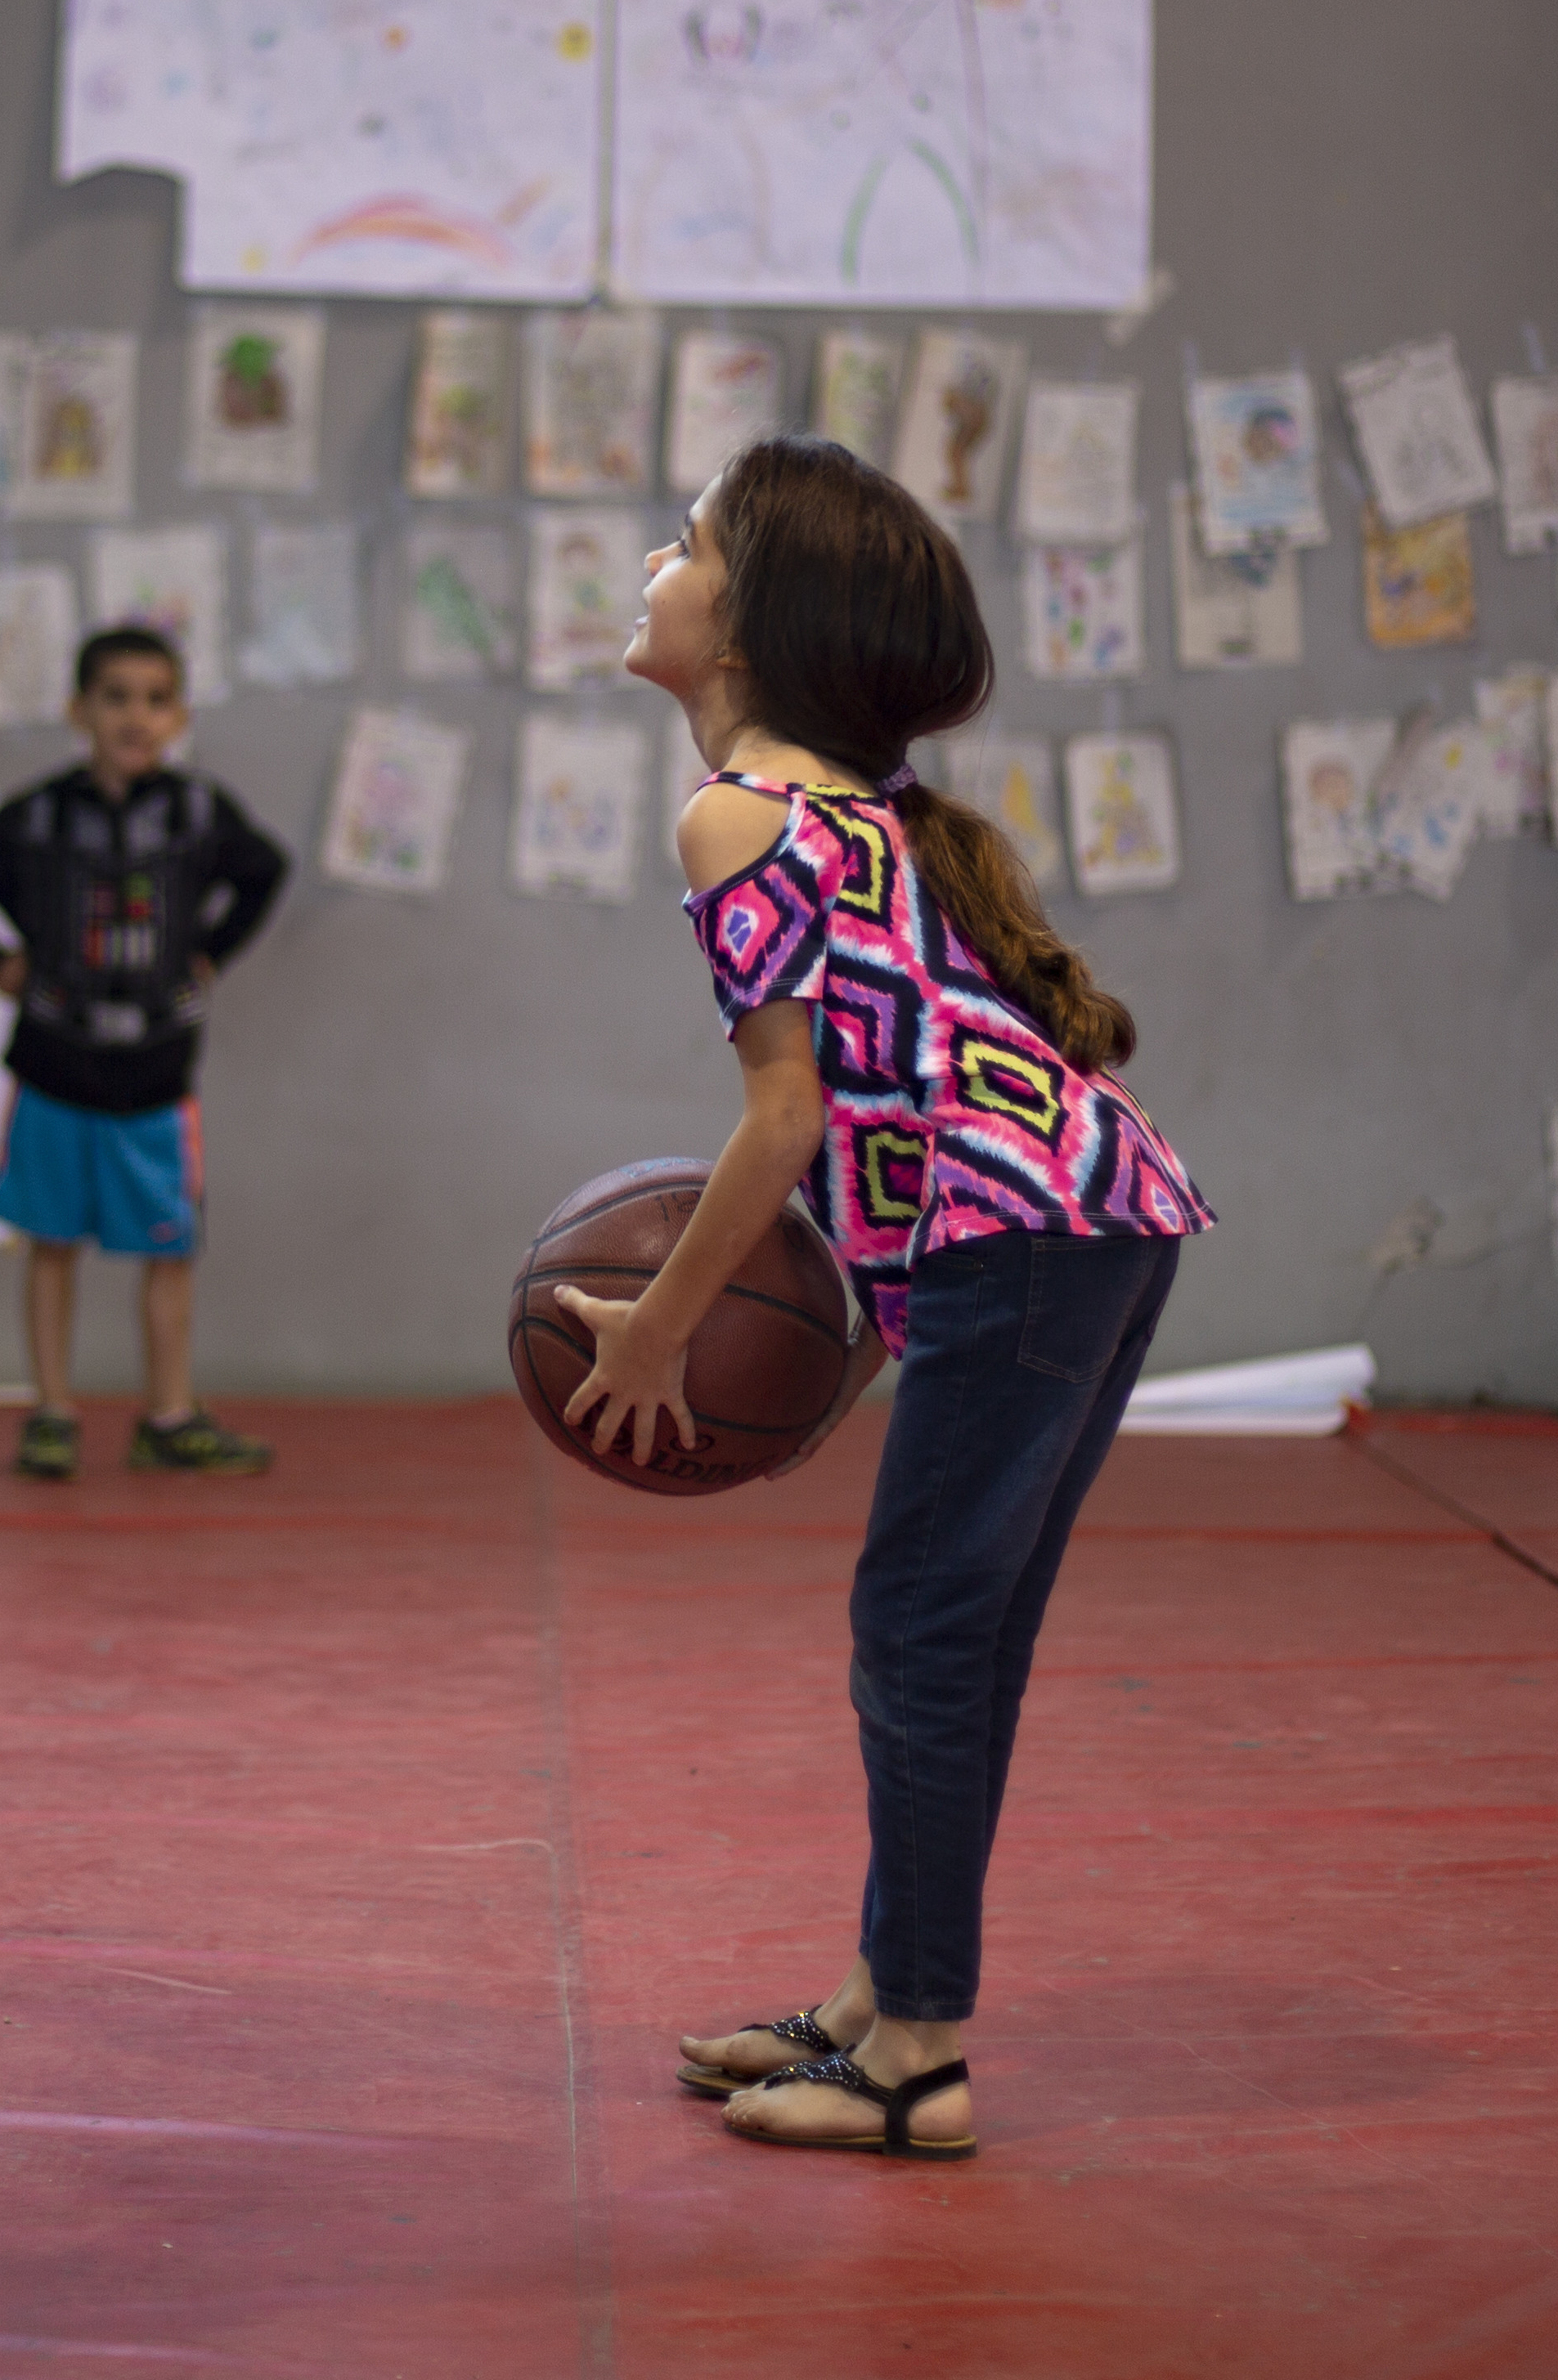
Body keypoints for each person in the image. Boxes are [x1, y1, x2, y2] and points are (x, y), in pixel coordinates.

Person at [552, 437, 1206, 2158]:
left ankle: (916, 2051)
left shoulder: (737, 814)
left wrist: (659, 1325)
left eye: (682, 542)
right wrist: (853, 1352)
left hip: (1029, 1227)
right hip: (1101, 1207)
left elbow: (788, 1119)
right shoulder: (861, 815)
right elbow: (885, 1115)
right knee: (960, 1638)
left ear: (750, 628)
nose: (652, 559)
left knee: (922, 1633)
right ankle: (881, 1993)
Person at [0, 625, 289, 1479]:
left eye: (156, 700)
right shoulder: (38, 817)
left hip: (155, 1079)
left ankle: (169, 1414)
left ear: (179, 716)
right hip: (51, 1069)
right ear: (80, 710)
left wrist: (211, 953)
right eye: (115, 697)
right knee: (50, 1243)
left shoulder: (199, 815)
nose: (135, 717)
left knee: (167, 1249)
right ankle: (51, 1412)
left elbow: (267, 870)